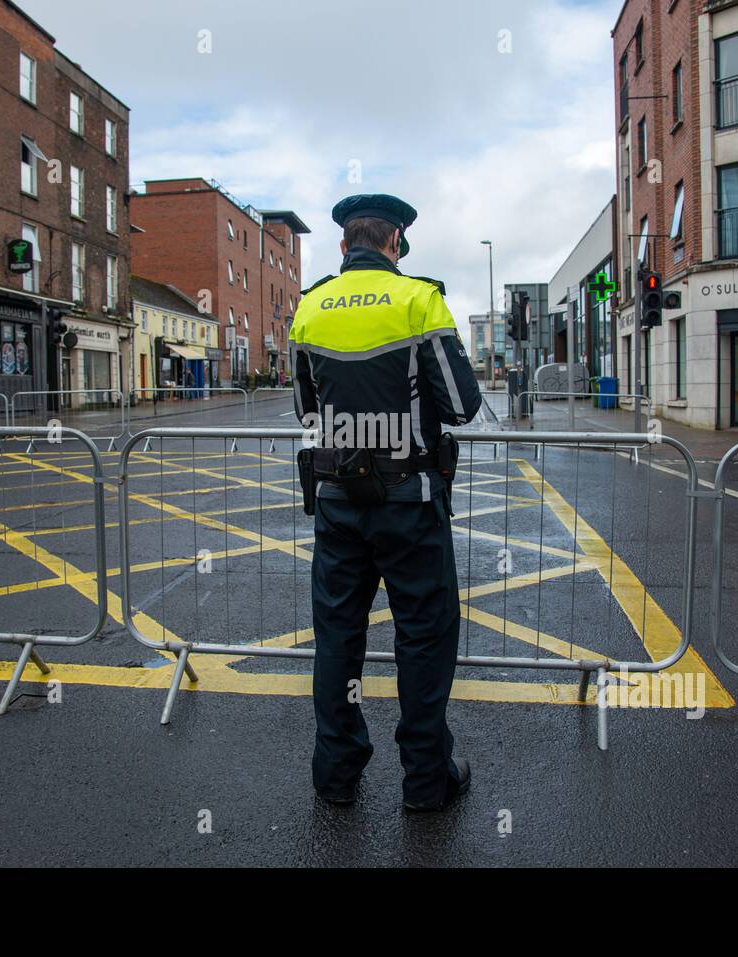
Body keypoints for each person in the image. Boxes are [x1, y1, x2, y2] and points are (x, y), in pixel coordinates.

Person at [290, 193, 481, 811]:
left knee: (337, 640)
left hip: (337, 500)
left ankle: (336, 776)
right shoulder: (419, 300)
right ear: (395, 243)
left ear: (344, 244)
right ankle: (427, 783)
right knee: (423, 639)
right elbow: (461, 404)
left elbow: (305, 411)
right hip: (410, 501)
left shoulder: (310, 308)